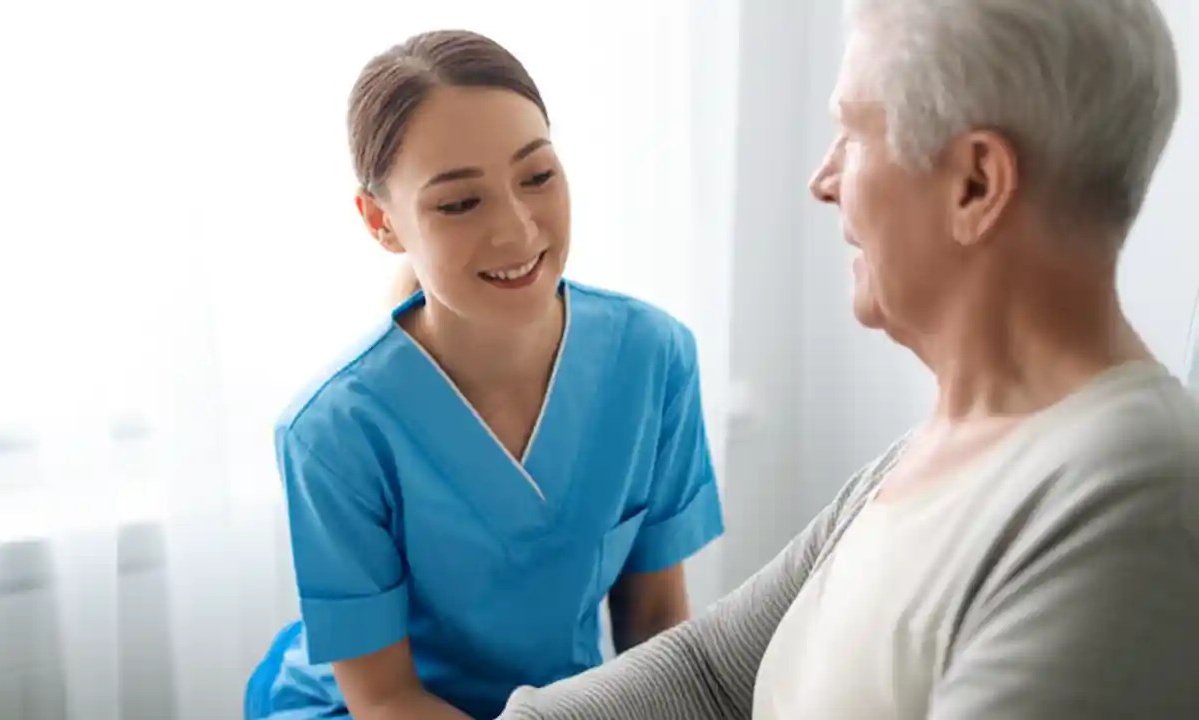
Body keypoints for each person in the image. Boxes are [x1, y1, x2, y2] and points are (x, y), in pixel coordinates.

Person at [499, 0, 1199, 718]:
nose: (823, 179)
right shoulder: (924, 457)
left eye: (852, 134)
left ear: (976, 184)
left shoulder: (1133, 501)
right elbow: (710, 674)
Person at [242, 29, 725, 720]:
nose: (518, 231)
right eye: (460, 203)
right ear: (382, 222)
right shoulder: (331, 432)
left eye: (537, 177)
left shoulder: (653, 359)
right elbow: (383, 699)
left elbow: (654, 626)